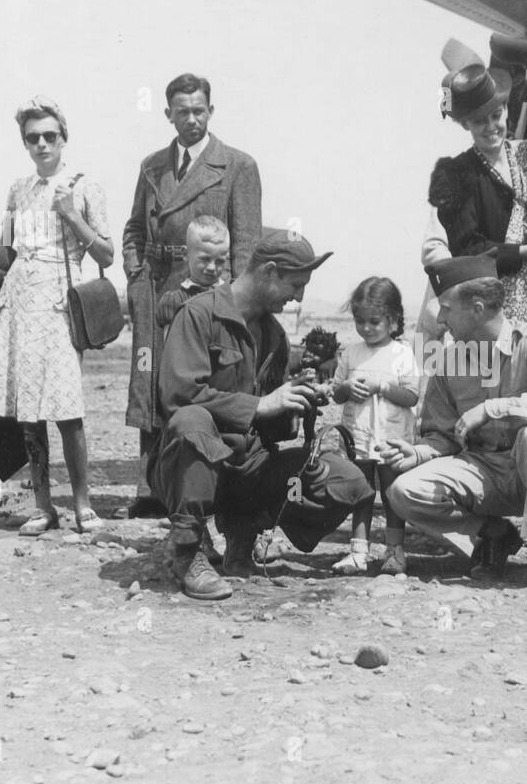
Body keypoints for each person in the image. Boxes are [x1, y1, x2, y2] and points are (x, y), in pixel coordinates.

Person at [148, 229, 373, 601]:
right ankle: (187, 553)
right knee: (191, 422)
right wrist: (258, 405)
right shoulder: (198, 315)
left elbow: (274, 433)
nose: (298, 297)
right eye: (296, 284)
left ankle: (242, 535)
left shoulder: (274, 336)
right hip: (191, 465)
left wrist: (297, 401)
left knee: (340, 478)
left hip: (244, 470)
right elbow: (177, 396)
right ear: (269, 271)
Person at [382, 255, 527, 597]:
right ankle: (493, 534)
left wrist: (495, 408)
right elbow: (445, 436)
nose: (441, 318)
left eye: (447, 309)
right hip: (485, 471)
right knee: (404, 492)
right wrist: (418, 452)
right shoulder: (448, 360)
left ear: (477, 309)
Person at [119, 72, 263, 518]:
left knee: (197, 385)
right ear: (168, 115)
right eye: (182, 112)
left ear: (211, 111)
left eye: (199, 110)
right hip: (155, 288)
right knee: (151, 382)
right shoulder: (151, 166)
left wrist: (229, 299)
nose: (192, 119)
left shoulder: (237, 165)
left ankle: (202, 486)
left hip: (205, 293)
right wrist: (134, 273)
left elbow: (246, 245)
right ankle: (151, 487)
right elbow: (134, 229)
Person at [0, 96, 113, 535]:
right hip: (21, 302)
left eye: (49, 136)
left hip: (60, 303)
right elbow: (7, 250)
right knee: (28, 410)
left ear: (64, 138)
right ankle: (43, 506)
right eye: (32, 138)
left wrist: (72, 215)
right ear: (25, 143)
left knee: (67, 409)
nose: (42, 144)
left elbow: (108, 255)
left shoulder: (83, 185)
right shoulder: (18, 190)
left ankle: (83, 504)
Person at [427, 65, 527, 347]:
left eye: (496, 115)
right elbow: (467, 249)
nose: (491, 127)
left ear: (506, 109)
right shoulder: (455, 174)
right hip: (494, 301)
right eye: (480, 121)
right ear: (465, 123)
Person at [329, 278, 421, 575]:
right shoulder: (351, 352)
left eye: (374, 321)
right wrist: (347, 387)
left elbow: (411, 395)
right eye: (359, 321)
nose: (366, 328)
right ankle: (358, 551)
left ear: (393, 321)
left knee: (393, 493)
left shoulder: (402, 353)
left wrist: (382, 386)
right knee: (362, 491)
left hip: (391, 437)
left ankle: (394, 551)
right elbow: (336, 392)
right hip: (359, 436)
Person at [154, 216, 232, 330]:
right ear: (185, 254)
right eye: (205, 259)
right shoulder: (175, 301)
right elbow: (171, 345)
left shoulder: (230, 297)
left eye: (220, 261)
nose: (212, 267)